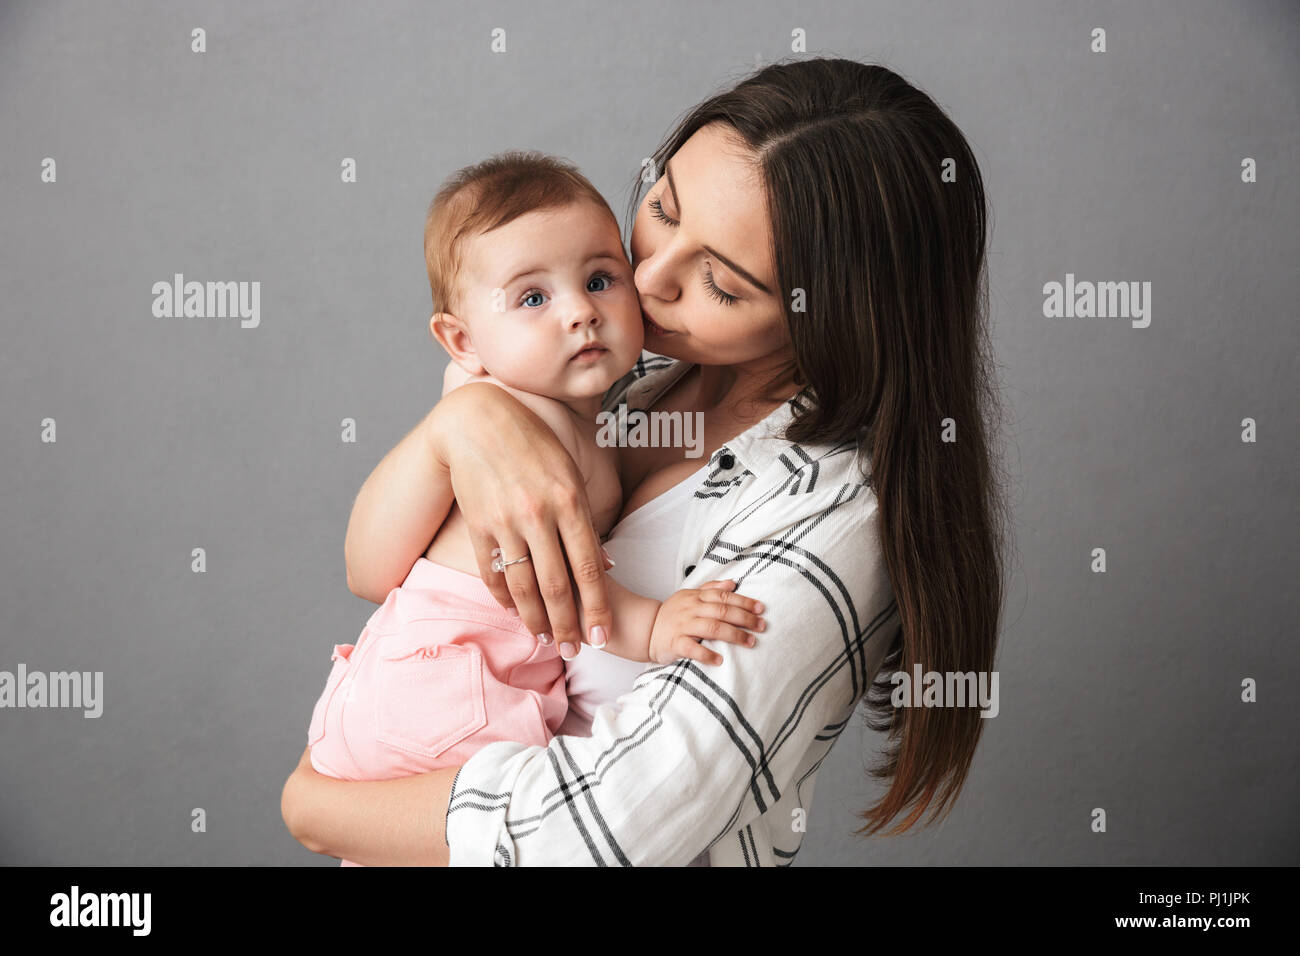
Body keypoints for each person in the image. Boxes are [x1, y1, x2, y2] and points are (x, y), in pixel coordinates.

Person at [281, 56, 1007, 866]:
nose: (643, 278)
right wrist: (468, 417)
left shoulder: (831, 521)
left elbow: (596, 829)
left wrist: (319, 806)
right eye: (661, 209)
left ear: (836, 320)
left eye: (722, 286)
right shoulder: (623, 389)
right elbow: (377, 566)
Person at [303, 151, 764, 866]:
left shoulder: (559, 409)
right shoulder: (530, 428)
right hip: (455, 692)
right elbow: (564, 586)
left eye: (601, 279)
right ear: (463, 340)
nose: (581, 311)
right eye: (532, 298)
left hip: (399, 687)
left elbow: (372, 575)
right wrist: (657, 622)